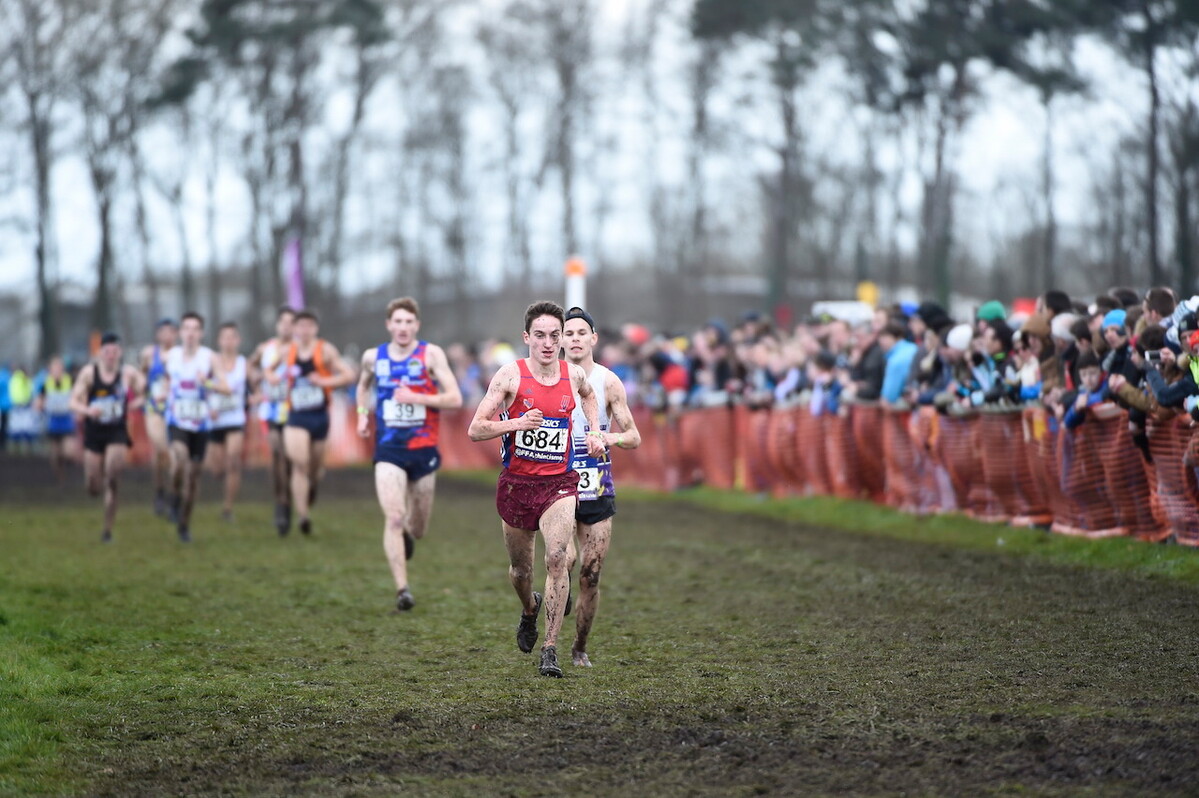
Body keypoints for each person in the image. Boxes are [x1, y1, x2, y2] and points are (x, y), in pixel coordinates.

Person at [467, 300, 604, 678]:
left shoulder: (573, 375)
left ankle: (550, 649)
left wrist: (593, 430)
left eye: (555, 336)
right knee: (520, 571)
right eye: (540, 335)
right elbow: (476, 428)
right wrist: (516, 425)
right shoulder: (509, 376)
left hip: (558, 484)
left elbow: (590, 396)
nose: (548, 343)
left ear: (562, 339)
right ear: (527, 337)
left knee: (558, 558)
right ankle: (529, 609)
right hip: (516, 486)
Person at [356, 297, 463, 611]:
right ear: (389, 325)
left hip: (423, 450)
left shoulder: (430, 354)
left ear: (416, 325)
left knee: (416, 527)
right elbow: (362, 387)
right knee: (393, 517)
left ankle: (407, 534)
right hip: (389, 449)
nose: (403, 327)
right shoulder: (372, 357)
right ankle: (402, 589)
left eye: (408, 322)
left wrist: (416, 397)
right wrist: (363, 413)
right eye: (397, 322)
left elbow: (455, 398)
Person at [560, 306, 642, 668]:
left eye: (581, 333)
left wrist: (606, 437)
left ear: (593, 339)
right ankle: (552, 595)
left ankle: (580, 646)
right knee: (563, 560)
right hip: (557, 482)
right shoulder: (549, 378)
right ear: (559, 340)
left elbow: (634, 436)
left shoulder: (608, 381)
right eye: (569, 333)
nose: (575, 339)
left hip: (596, 483)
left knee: (591, 573)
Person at [282, 309, 356, 536]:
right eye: (300, 326)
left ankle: (312, 486)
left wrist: (323, 381)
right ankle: (303, 515)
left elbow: (348, 375)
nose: (304, 330)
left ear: (315, 328)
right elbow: (266, 370)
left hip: (319, 415)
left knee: (314, 469)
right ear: (294, 329)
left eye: (309, 326)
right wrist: (271, 377)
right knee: (299, 463)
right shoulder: (286, 351)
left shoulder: (325, 350)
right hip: (295, 415)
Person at [68, 333, 146, 542]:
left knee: (113, 476)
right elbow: (73, 401)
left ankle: (107, 529)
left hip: (116, 430)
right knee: (94, 486)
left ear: (120, 353)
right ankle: (96, 482)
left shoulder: (128, 374)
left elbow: (146, 392)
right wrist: (87, 410)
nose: (111, 356)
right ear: (100, 353)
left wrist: (133, 405)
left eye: (115, 351)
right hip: (94, 431)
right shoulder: (89, 373)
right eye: (107, 351)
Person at [164, 312, 225, 542]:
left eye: (195, 328)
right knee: (179, 459)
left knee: (194, 478)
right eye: (186, 328)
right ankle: (174, 496)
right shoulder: (170, 356)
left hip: (201, 424)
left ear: (201, 333)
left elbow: (226, 386)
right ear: (180, 333)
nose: (190, 333)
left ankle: (184, 524)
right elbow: (156, 379)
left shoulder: (209, 357)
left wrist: (207, 383)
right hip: (177, 420)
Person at [249, 305, 297, 535]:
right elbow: (250, 367)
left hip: (294, 410)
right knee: (277, 453)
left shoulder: (301, 349)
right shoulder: (265, 348)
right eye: (283, 322)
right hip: (271, 410)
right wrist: (255, 386)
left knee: (290, 460)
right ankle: (281, 503)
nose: (286, 327)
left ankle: (289, 498)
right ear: (277, 325)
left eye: (291, 322)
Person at [207, 322, 249, 523]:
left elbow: (256, 388)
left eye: (232, 337)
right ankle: (221, 479)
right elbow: (199, 387)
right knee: (216, 469)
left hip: (235, 418)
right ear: (218, 340)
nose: (229, 341)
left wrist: (257, 397)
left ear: (238, 340)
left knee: (233, 462)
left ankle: (228, 507)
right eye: (225, 337)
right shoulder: (209, 362)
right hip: (214, 420)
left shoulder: (243, 363)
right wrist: (208, 408)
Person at [140, 318, 178, 516]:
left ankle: (171, 495)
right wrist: (140, 393)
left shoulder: (181, 355)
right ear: (157, 335)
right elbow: (141, 378)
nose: (167, 335)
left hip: (176, 409)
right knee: (163, 451)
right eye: (163, 331)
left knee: (166, 455)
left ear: (176, 334)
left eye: (171, 331)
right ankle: (161, 491)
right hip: (154, 408)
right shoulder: (148, 354)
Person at [37, 356, 75, 482]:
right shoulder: (46, 383)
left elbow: (78, 395)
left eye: (59, 366)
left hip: (66, 420)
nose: (57, 369)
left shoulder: (70, 381)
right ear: (50, 369)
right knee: (55, 454)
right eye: (54, 367)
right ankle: (60, 477)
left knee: (68, 452)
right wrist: (39, 405)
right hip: (52, 421)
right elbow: (39, 400)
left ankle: (68, 465)